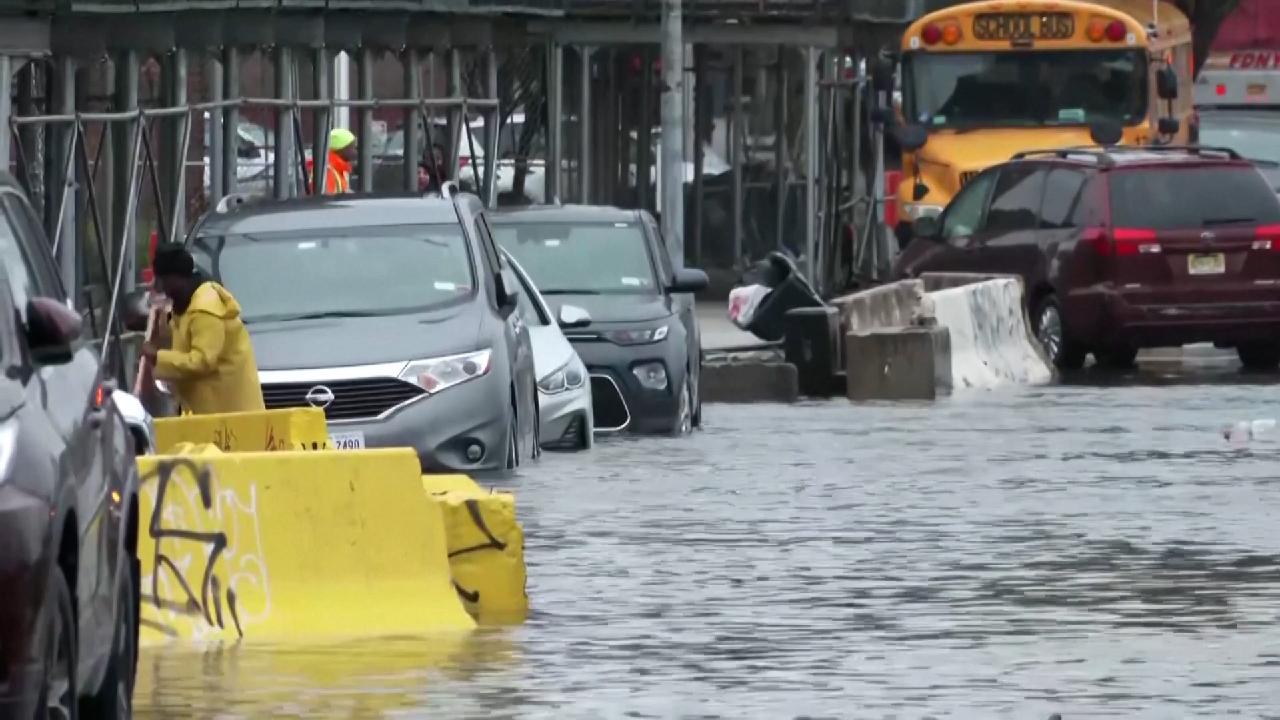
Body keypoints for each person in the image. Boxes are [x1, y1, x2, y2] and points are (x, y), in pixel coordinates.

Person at [141, 245, 265, 415]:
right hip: (210, 412)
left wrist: (157, 357)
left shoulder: (205, 309)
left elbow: (202, 361)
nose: (159, 288)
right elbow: (183, 343)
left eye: (161, 280)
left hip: (230, 414)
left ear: (175, 278)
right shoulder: (185, 305)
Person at [307, 127, 357, 194]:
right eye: (352, 147)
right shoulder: (327, 171)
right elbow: (325, 198)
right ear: (341, 149)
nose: (355, 152)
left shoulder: (334, 169)